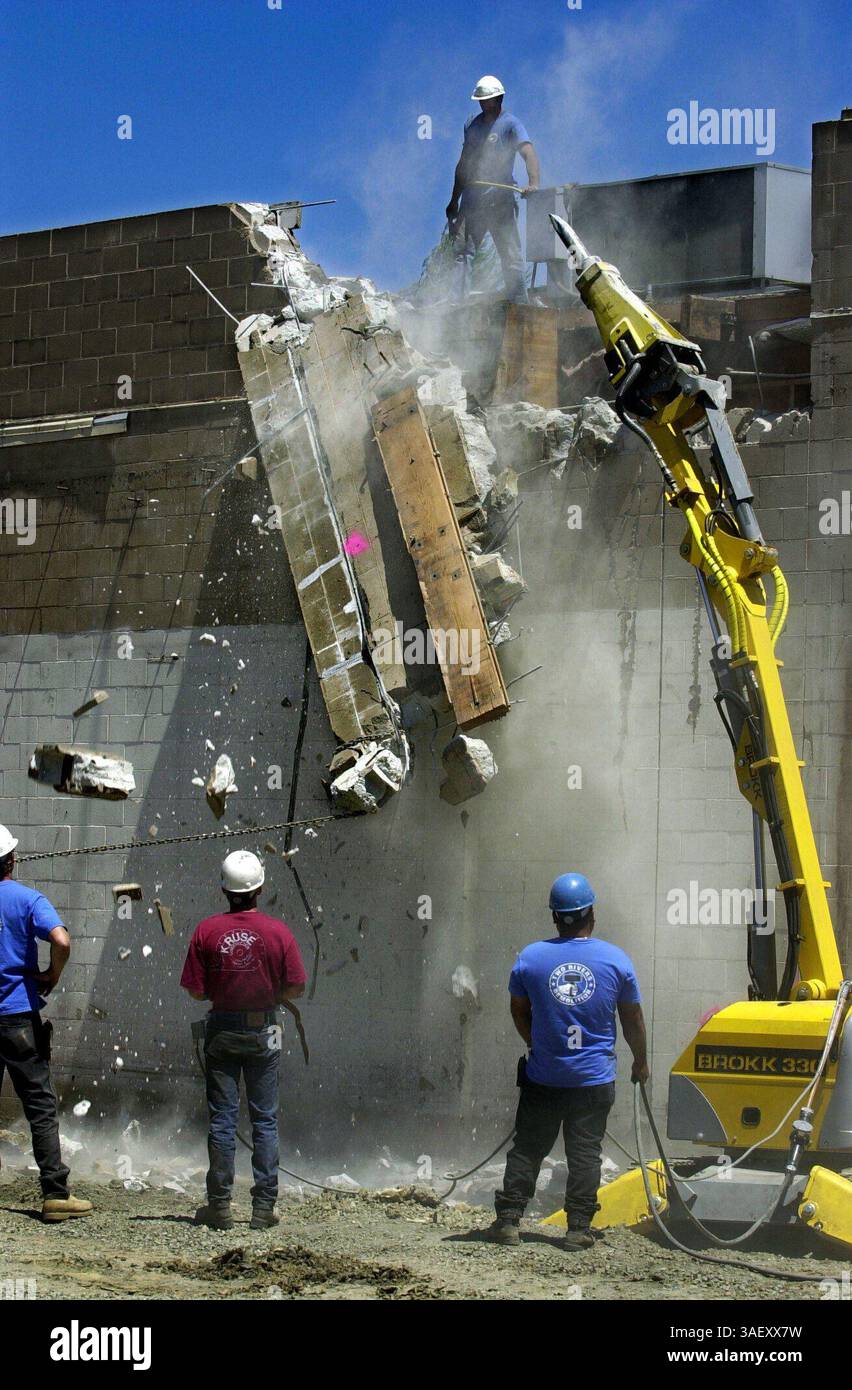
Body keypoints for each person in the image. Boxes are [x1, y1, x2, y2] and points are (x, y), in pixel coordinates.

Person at [489, 872, 648, 1250]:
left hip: (544, 1076)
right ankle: (577, 1229)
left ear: (555, 917)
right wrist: (640, 1062)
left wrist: (537, 1043)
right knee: (584, 1154)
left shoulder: (530, 959)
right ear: (591, 914)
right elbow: (632, 1020)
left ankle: (509, 1222)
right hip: (592, 1082)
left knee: (528, 1147)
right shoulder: (616, 961)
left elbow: (518, 1011)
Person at [180, 849, 307, 1230]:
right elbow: (298, 987)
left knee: (222, 1119)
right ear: (260, 888)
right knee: (264, 1119)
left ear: (224, 889)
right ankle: (263, 1208)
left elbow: (197, 994)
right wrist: (269, 991)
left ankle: (219, 1206)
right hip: (264, 1031)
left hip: (222, 1030)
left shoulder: (206, 931)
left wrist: (227, 988)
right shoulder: (278, 932)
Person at [0, 824, 93, 1222]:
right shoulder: (27, 899)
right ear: (12, 860)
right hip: (17, 1016)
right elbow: (62, 940)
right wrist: (52, 976)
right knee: (39, 1104)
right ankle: (55, 1193)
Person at [446, 74, 540, 304]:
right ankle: (458, 306)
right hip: (471, 203)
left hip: (500, 202)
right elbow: (463, 164)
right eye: (480, 100)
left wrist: (534, 183)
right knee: (462, 253)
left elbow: (528, 152)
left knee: (510, 255)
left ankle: (520, 305)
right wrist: (454, 200)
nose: (483, 104)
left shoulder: (511, 124)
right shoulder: (472, 125)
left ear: (499, 99)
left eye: (487, 99)